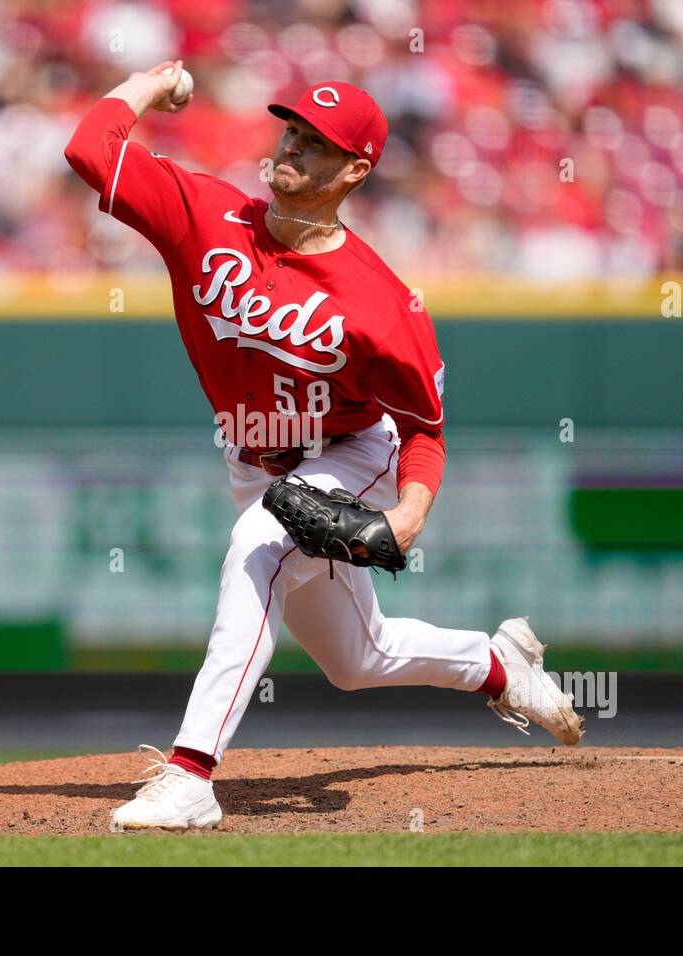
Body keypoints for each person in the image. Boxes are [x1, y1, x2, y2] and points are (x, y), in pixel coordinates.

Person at [64, 61, 584, 832]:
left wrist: (408, 514)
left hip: (348, 451)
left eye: (317, 144)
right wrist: (151, 82)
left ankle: (190, 775)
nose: (293, 148)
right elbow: (88, 149)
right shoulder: (204, 215)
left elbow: (424, 432)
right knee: (356, 659)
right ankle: (504, 664)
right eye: (293, 131)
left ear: (355, 169)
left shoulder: (381, 301)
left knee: (257, 548)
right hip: (253, 459)